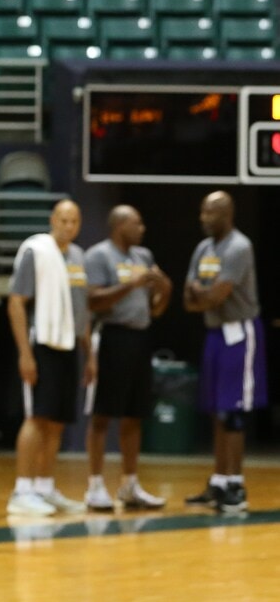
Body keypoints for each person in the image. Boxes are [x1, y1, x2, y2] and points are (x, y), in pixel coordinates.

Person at [6, 200, 94, 517]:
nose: (68, 226)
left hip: (69, 344)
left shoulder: (79, 257)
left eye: (74, 221)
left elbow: (82, 310)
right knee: (36, 418)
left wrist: (90, 354)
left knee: (56, 421)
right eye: (63, 220)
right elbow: (16, 304)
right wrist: (25, 355)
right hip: (41, 343)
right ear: (52, 221)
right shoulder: (36, 252)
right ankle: (22, 490)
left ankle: (44, 487)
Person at [83, 205, 170, 512]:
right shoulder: (98, 255)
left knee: (135, 414)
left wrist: (164, 289)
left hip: (140, 337)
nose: (142, 228)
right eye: (137, 222)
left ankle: (129, 484)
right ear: (120, 226)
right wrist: (131, 284)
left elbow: (154, 308)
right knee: (103, 414)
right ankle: (95, 485)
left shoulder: (143, 257)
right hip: (111, 337)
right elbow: (93, 300)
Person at [182, 191, 264, 514]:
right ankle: (218, 481)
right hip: (215, 332)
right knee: (217, 409)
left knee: (233, 411)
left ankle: (235, 485)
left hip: (239, 332)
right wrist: (204, 295)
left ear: (227, 214)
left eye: (209, 213)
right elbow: (191, 300)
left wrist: (203, 294)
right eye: (202, 212)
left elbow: (218, 295)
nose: (203, 218)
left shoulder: (239, 247)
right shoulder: (204, 249)